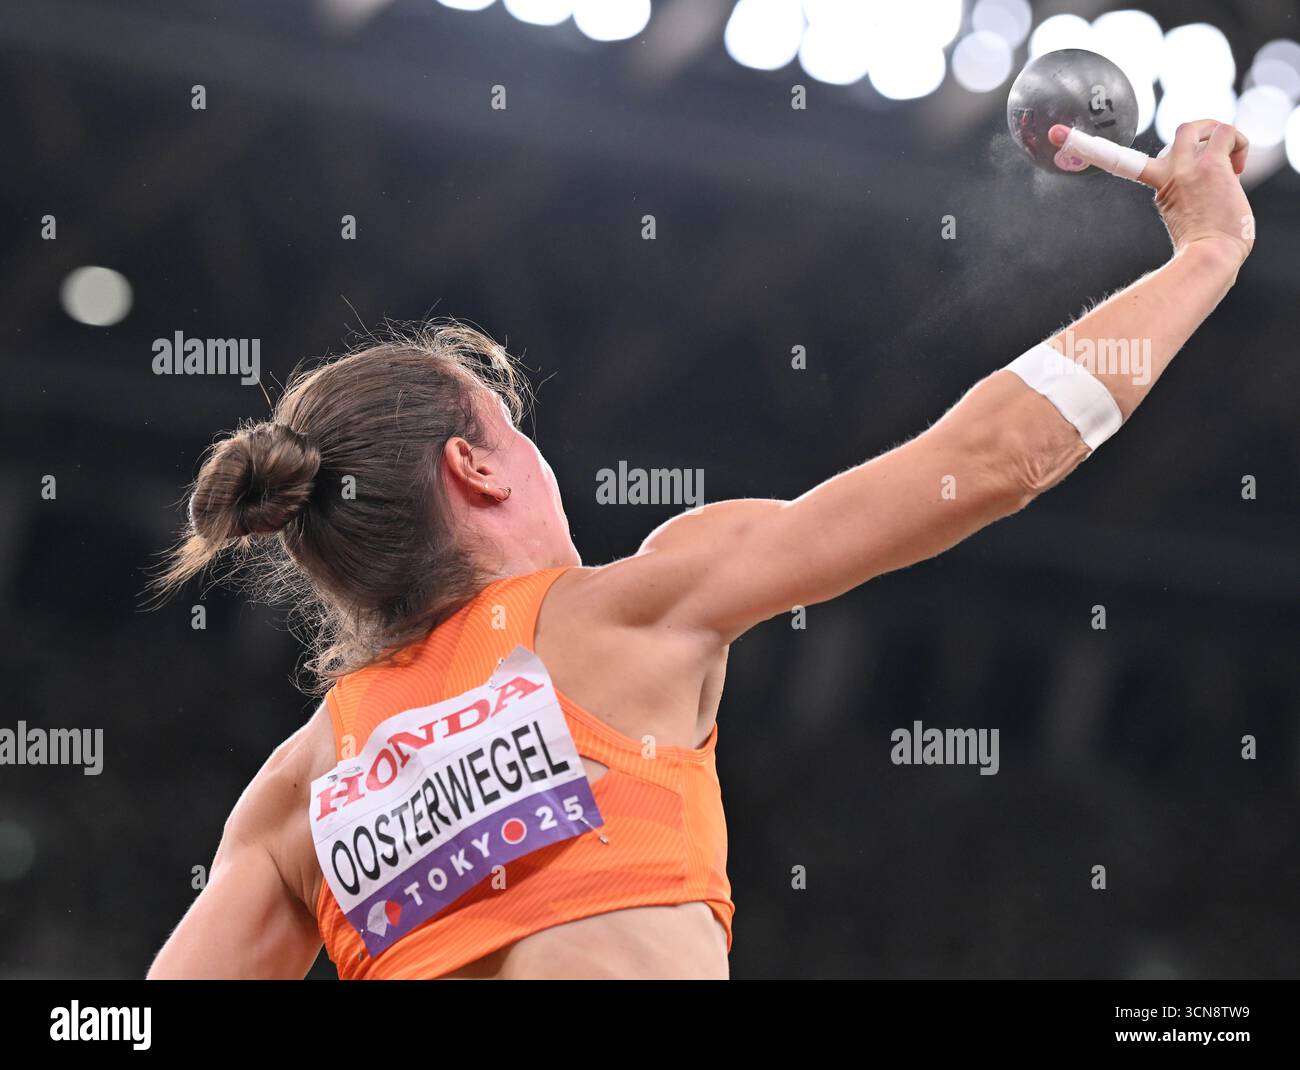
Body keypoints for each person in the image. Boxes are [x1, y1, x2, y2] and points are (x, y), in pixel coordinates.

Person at [147, 119, 1253, 980]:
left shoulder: (297, 792)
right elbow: (995, 455)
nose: (534, 454)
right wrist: (1205, 252)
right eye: (512, 429)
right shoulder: (629, 608)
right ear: (474, 469)